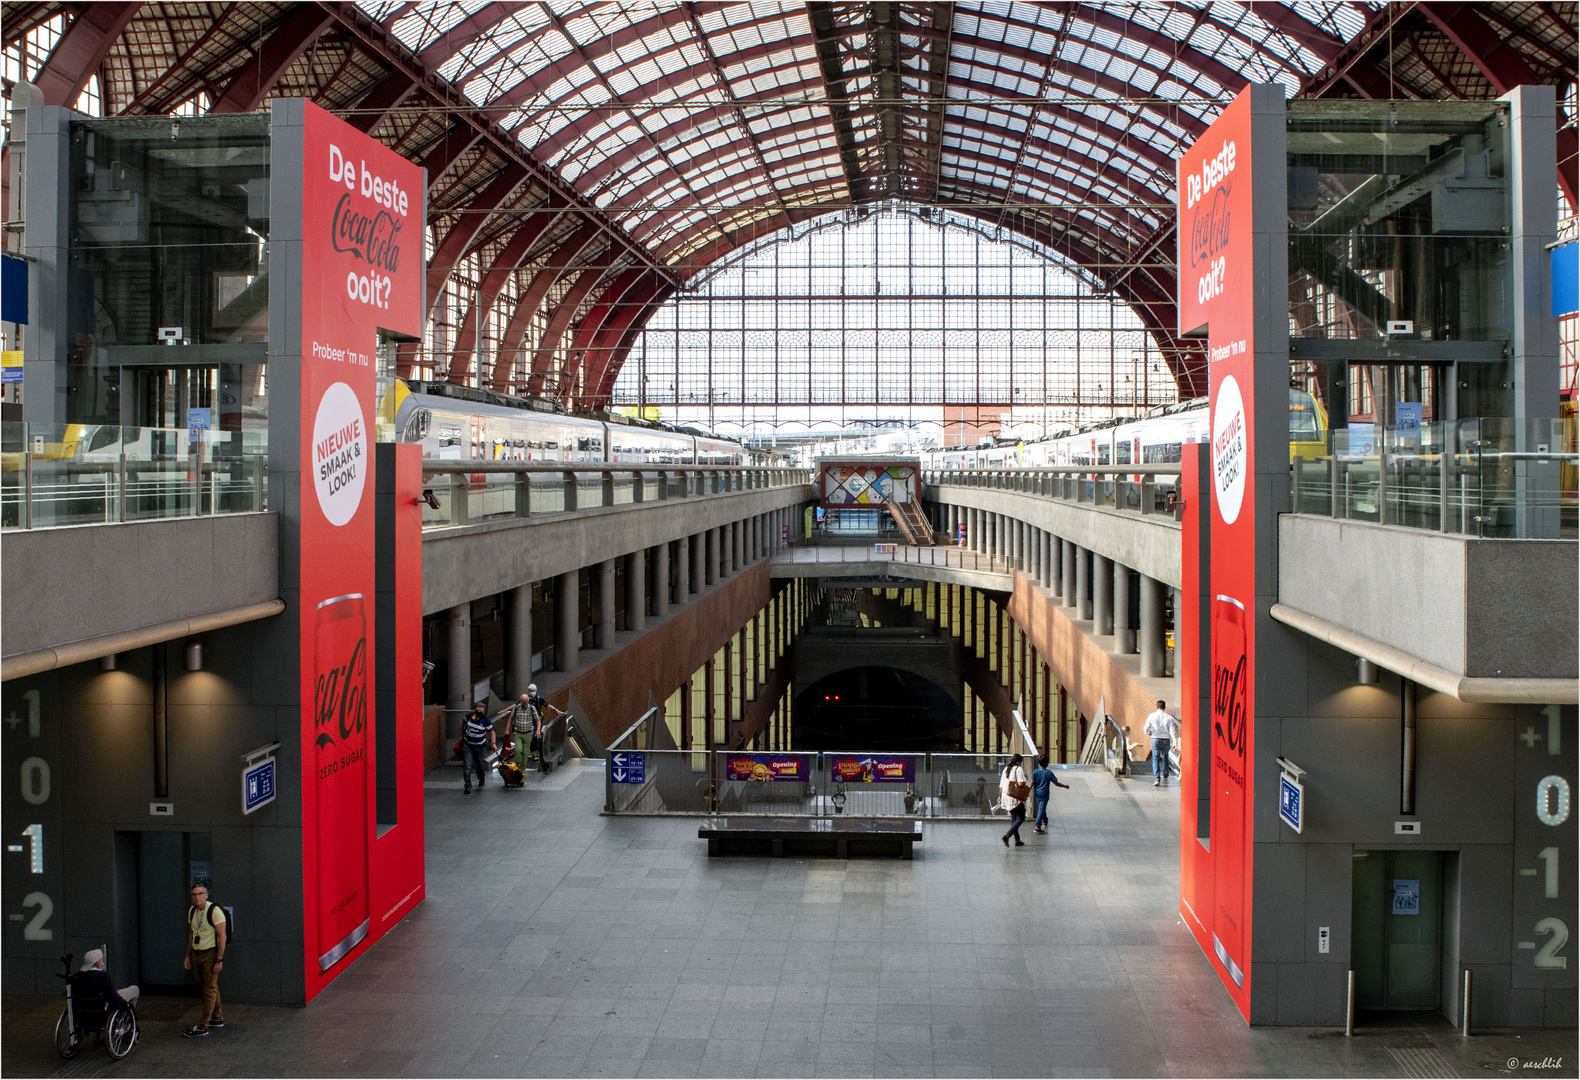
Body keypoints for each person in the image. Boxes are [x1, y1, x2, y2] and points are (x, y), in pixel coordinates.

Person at [181, 884, 226, 1037]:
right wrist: (188, 955)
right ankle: (217, 1017)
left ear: (206, 895)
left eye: (200, 894)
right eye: (194, 894)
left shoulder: (214, 911)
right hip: (197, 953)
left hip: (210, 954)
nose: (197, 897)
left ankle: (203, 1026)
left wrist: (219, 959)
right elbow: (192, 934)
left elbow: (222, 936)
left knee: (209, 989)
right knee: (210, 986)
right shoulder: (192, 911)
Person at [461, 701, 496, 794]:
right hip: (468, 744)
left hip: (479, 746)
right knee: (467, 766)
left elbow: (492, 732)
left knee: (479, 764)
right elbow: (462, 725)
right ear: (475, 709)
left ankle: (481, 778)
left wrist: (493, 743)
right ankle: (467, 786)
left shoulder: (486, 720)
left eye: (481, 710)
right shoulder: (469, 717)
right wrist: (460, 737)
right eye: (478, 710)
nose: (479, 712)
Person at [1030, 754, 1070, 834]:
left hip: (1037, 793)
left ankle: (1045, 820)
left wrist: (1027, 791)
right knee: (1041, 809)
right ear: (1046, 763)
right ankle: (1037, 825)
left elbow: (1031, 783)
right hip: (1044, 794)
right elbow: (1056, 783)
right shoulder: (1048, 773)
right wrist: (1064, 786)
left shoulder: (1035, 772)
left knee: (1042, 807)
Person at [1143, 700, 1178, 787]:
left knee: (1155, 758)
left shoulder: (1151, 716)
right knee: (1165, 756)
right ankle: (1165, 774)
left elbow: (1146, 728)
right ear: (1164, 707)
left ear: (1157, 706)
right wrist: (1175, 742)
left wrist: (1148, 733)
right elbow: (1172, 731)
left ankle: (1157, 778)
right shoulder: (1169, 717)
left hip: (1155, 739)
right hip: (1166, 739)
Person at [500, 693, 538, 772]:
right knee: (518, 750)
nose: (525, 705)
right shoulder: (516, 708)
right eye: (523, 703)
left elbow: (537, 720)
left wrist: (538, 730)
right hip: (518, 733)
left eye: (526, 703)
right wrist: (507, 729)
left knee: (525, 752)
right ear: (520, 701)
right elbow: (511, 718)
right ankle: (516, 766)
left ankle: (522, 769)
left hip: (528, 733)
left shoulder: (532, 708)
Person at [999, 753, 1030, 847]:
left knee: (1014, 817)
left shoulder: (1006, 769)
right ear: (1019, 762)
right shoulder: (1018, 769)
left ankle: (1017, 839)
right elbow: (1020, 784)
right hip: (1015, 797)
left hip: (1006, 795)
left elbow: (1001, 784)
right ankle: (1007, 835)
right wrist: (1025, 779)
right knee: (1021, 818)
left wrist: (999, 796)